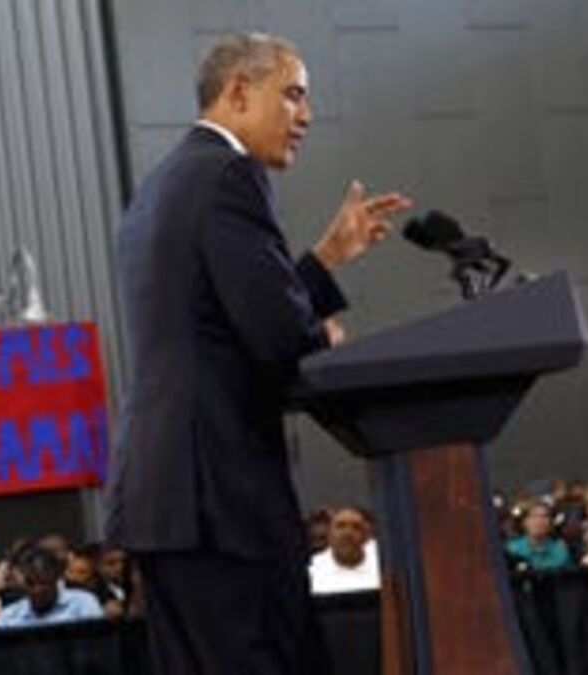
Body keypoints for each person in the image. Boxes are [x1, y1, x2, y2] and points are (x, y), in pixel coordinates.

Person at [104, 31, 411, 675]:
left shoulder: (161, 186)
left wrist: (325, 260)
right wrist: (320, 335)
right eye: (293, 95)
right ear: (240, 91)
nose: (306, 116)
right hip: (221, 499)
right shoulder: (231, 174)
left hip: (166, 499)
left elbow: (220, 319)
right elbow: (279, 340)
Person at [0, 547, 103, 629]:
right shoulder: (9, 617)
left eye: (43, 583)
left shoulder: (83, 604)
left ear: (56, 579)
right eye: (31, 583)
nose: (37, 590)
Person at [309, 507, 381, 593]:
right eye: (340, 526)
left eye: (356, 527)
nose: (348, 533)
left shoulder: (383, 565)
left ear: (366, 537)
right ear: (329, 534)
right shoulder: (313, 570)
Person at [505, 499, 573, 570]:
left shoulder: (561, 553)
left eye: (545, 516)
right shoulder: (511, 550)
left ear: (550, 523)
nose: (539, 521)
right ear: (525, 522)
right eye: (534, 516)